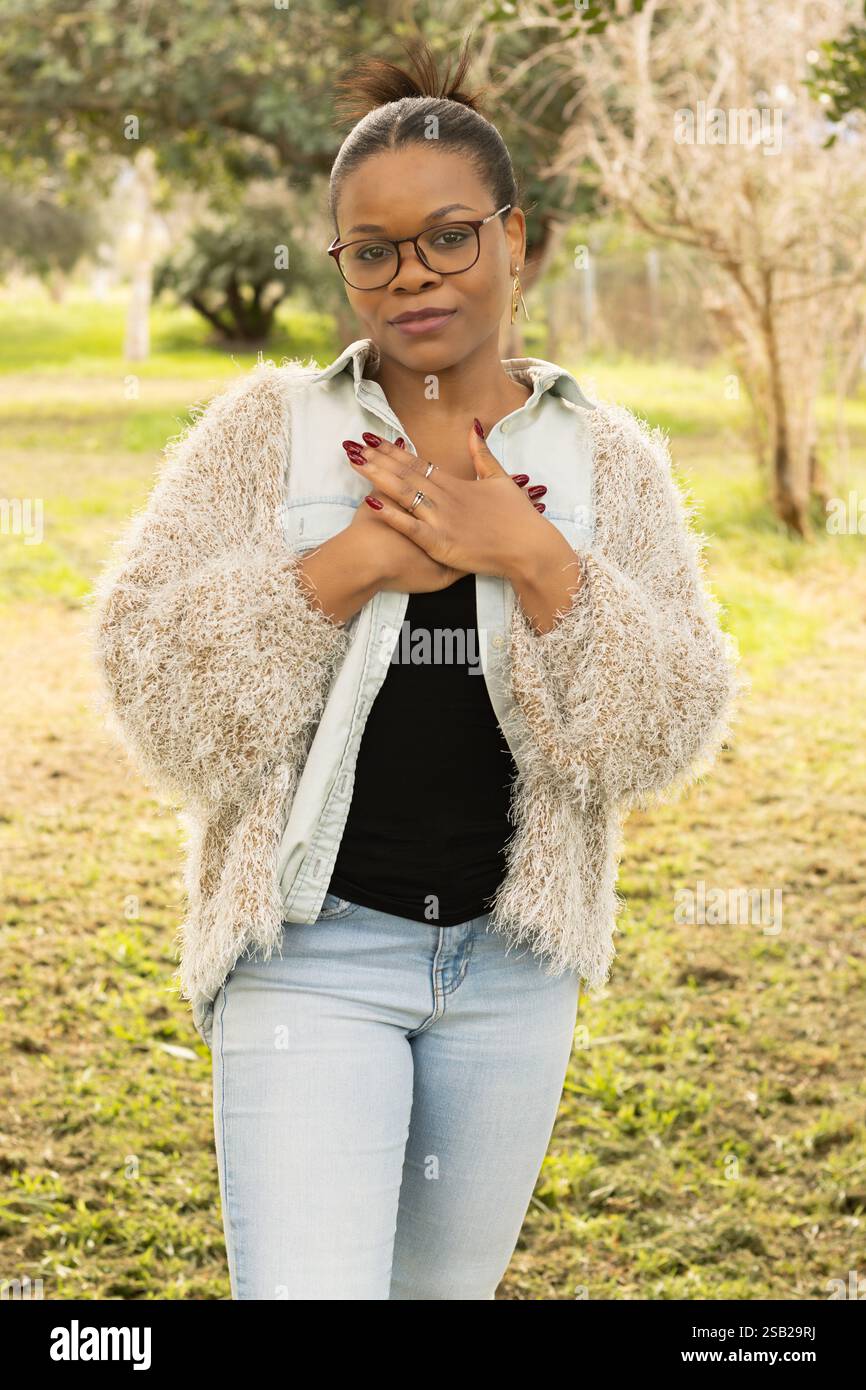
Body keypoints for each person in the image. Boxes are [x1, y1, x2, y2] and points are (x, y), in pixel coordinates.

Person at [88, 39, 739, 1300]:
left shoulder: (611, 462)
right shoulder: (266, 431)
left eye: (447, 236)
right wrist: (349, 564)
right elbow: (148, 684)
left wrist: (542, 565)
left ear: (514, 235)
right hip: (307, 959)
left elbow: (667, 728)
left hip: (513, 971)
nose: (411, 276)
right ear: (341, 262)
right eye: (372, 249)